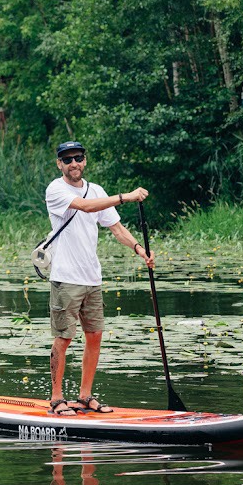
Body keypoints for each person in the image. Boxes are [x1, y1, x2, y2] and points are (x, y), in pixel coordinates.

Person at [44, 141, 153, 416]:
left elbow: (116, 228)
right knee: (64, 338)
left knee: (94, 336)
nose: (73, 164)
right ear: (59, 164)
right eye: (67, 160)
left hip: (92, 277)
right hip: (66, 277)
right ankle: (57, 399)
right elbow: (85, 207)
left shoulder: (98, 190)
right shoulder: (56, 189)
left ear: (84, 160)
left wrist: (140, 250)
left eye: (78, 158)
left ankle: (85, 396)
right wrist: (125, 196)